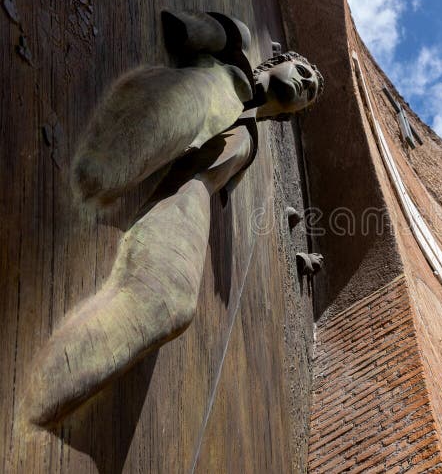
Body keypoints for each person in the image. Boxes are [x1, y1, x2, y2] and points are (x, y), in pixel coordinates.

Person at [25, 50, 323, 426]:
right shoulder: (236, 47)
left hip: (191, 188)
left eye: (308, 91)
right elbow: (187, 30)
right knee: (138, 142)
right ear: (276, 61)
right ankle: (93, 172)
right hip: (194, 98)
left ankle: (45, 393)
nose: (304, 83)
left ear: (289, 114)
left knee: (173, 298)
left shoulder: (249, 147)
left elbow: (218, 182)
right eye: (302, 72)